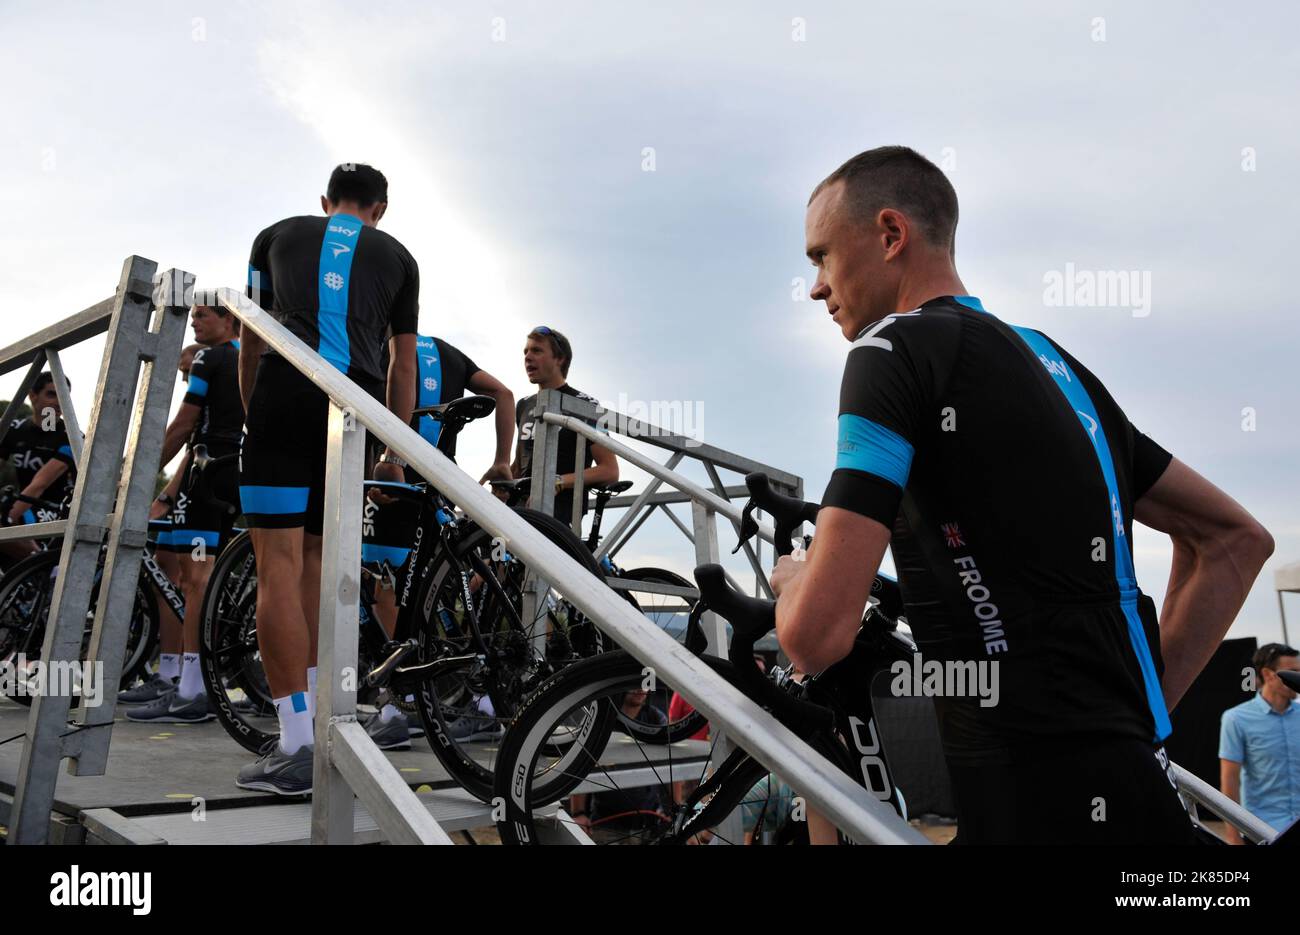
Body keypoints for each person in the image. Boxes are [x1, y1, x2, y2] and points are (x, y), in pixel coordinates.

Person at [772, 146, 1274, 844]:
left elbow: (817, 636)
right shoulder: (1058, 363)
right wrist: (1140, 712)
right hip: (1138, 789)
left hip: (1023, 805)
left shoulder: (888, 352)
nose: (816, 287)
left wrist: (793, 579)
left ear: (891, 234)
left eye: (821, 256)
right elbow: (1237, 541)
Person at [235, 163, 418, 795]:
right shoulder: (399, 255)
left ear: (325, 202)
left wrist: (254, 414)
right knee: (315, 557)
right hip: (356, 405)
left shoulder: (276, 233)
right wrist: (395, 445)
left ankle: (295, 740)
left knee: (276, 561)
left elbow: (251, 340)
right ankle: (314, 724)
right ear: (381, 209)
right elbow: (402, 365)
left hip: (285, 391)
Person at [361, 332, 515, 749]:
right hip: (440, 474)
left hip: (394, 473)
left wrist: (388, 458)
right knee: (424, 590)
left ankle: (394, 705)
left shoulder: (382, 343)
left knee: (384, 585)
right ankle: (476, 699)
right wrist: (503, 459)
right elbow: (504, 392)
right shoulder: (446, 351)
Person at [126, 303, 243, 721]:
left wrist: (135, 480)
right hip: (204, 475)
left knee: (196, 577)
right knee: (167, 568)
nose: (194, 320)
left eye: (204, 314)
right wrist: (170, 490)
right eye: (192, 314)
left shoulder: (213, 357)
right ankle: (172, 675)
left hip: (215, 477)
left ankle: (195, 689)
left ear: (230, 321)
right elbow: (193, 439)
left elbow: (181, 426)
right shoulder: (238, 358)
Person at [511, 327, 618, 523]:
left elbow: (609, 471)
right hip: (519, 511)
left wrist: (557, 482)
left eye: (536, 351)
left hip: (560, 516)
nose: (527, 357)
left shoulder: (586, 404)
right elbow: (519, 466)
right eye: (525, 351)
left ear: (559, 359)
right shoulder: (523, 405)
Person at [1219, 643, 1300, 842]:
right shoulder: (1236, 718)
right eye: (1293, 672)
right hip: (1262, 830)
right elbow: (1230, 781)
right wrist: (1233, 837)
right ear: (1268, 674)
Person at [0, 372, 78, 559]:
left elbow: (39, 485)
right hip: (26, 502)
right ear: (32, 396)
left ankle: (45, 570)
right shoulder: (15, 429)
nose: (58, 402)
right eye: (52, 394)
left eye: (64, 396)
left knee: (8, 523)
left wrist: (7, 519)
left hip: (58, 509)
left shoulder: (71, 436)